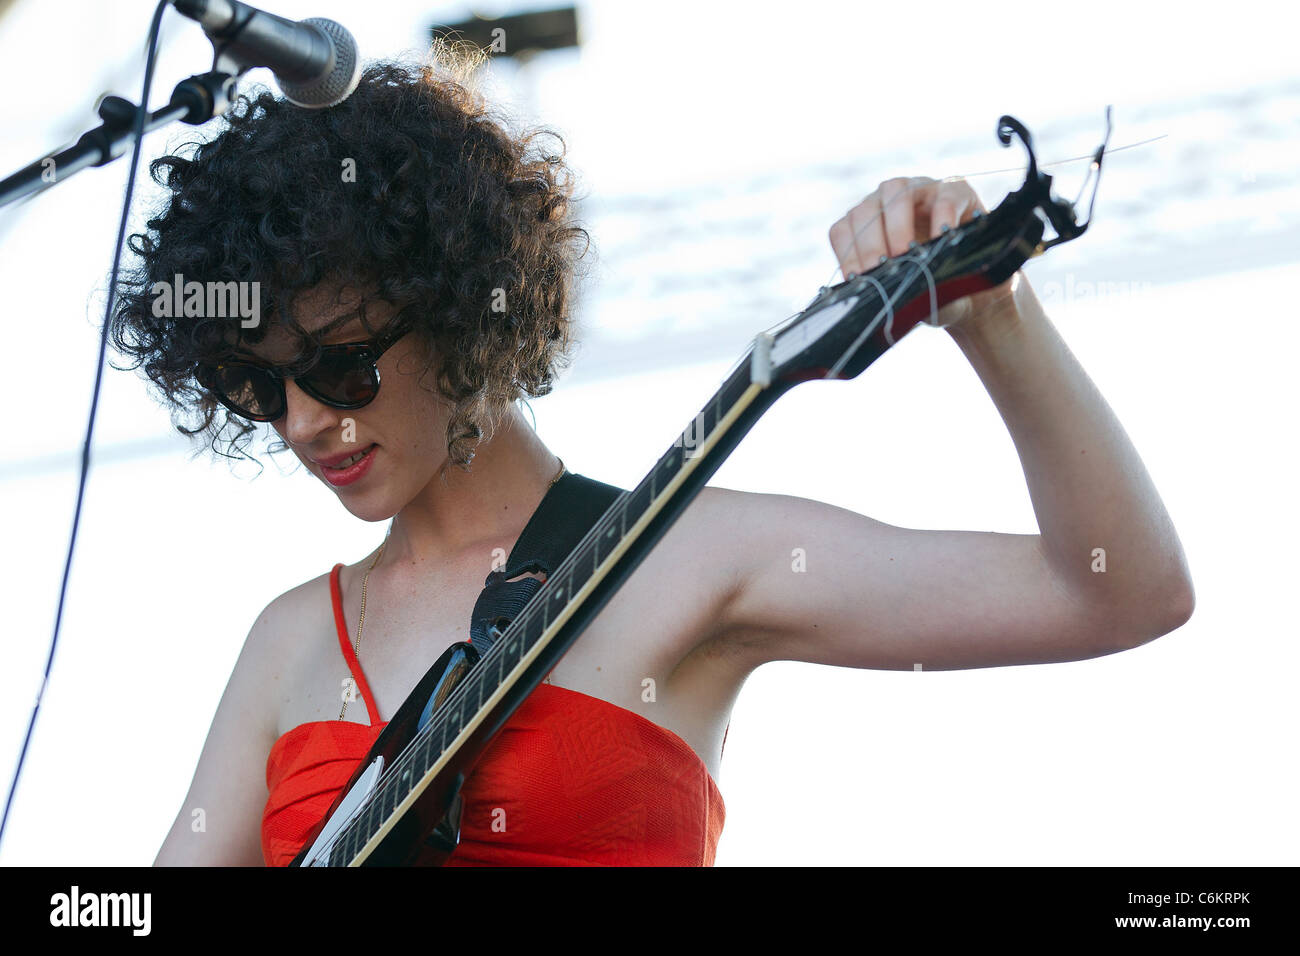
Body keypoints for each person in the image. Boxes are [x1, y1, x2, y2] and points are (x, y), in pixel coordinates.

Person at [113, 50, 1194, 866]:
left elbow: (1114, 591)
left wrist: (992, 317)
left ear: (458, 312)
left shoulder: (689, 553)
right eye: (260, 384)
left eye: (342, 365)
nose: (303, 421)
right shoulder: (291, 635)